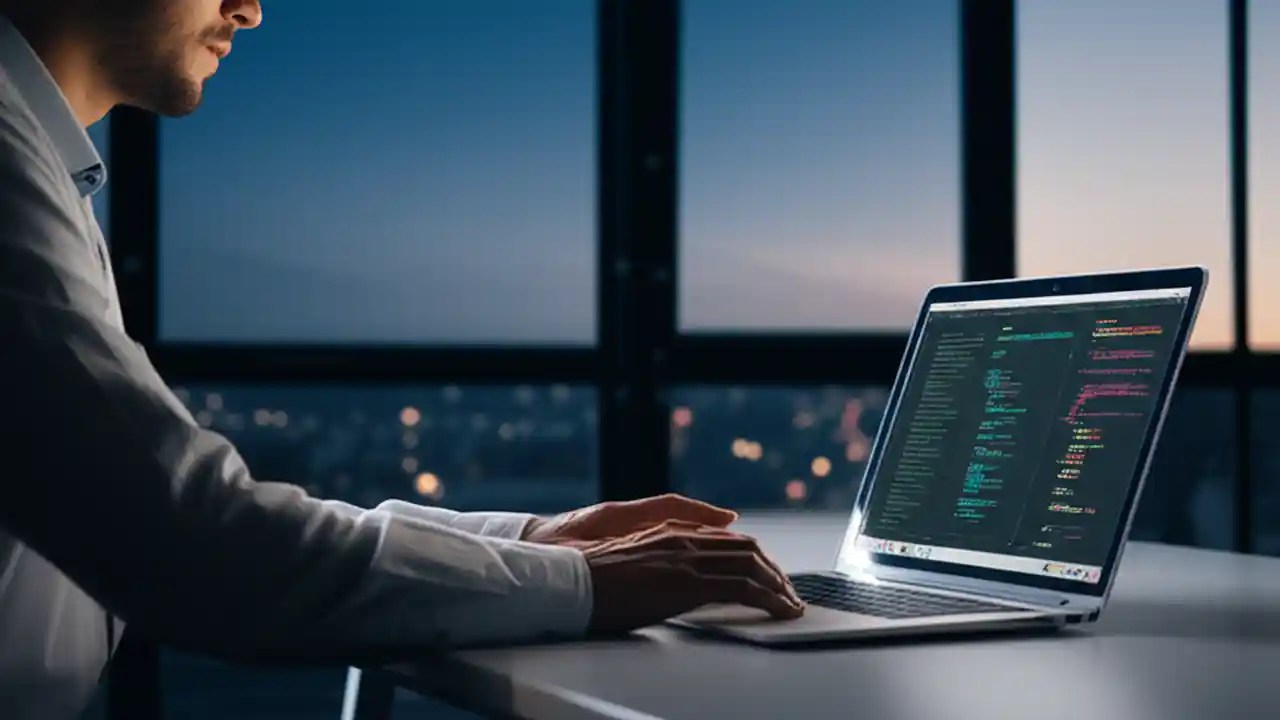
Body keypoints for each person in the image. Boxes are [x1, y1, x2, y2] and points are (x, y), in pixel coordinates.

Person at [0, 2, 804, 719]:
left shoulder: (38, 159)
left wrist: (536, 542)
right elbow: (194, 545)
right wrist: (585, 585)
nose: (249, 10)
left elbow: (179, 518)